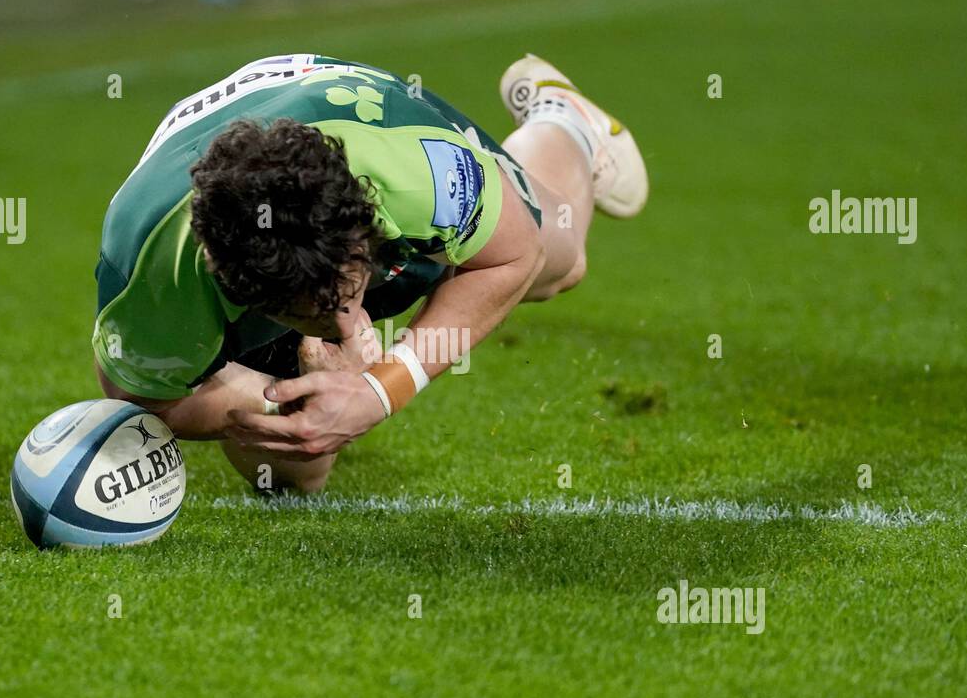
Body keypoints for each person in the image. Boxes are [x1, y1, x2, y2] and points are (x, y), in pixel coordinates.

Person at [93, 52, 648, 492]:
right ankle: (299, 348)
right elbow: (143, 400)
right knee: (294, 475)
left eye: (350, 292)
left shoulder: (416, 168)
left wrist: (379, 390)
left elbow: (511, 256)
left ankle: (566, 123)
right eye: (315, 313)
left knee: (561, 264)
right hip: (233, 222)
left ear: (365, 222)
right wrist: (279, 397)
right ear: (234, 285)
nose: (348, 321)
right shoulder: (154, 271)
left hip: (353, 105)